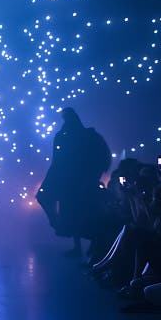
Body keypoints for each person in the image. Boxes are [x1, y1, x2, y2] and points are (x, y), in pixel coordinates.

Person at [37, 107, 111, 257]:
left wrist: (92, 177)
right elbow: (57, 160)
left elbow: (102, 156)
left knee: (83, 213)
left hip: (80, 183)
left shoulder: (87, 136)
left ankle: (90, 245)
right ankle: (80, 245)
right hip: (69, 183)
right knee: (73, 213)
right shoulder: (66, 136)